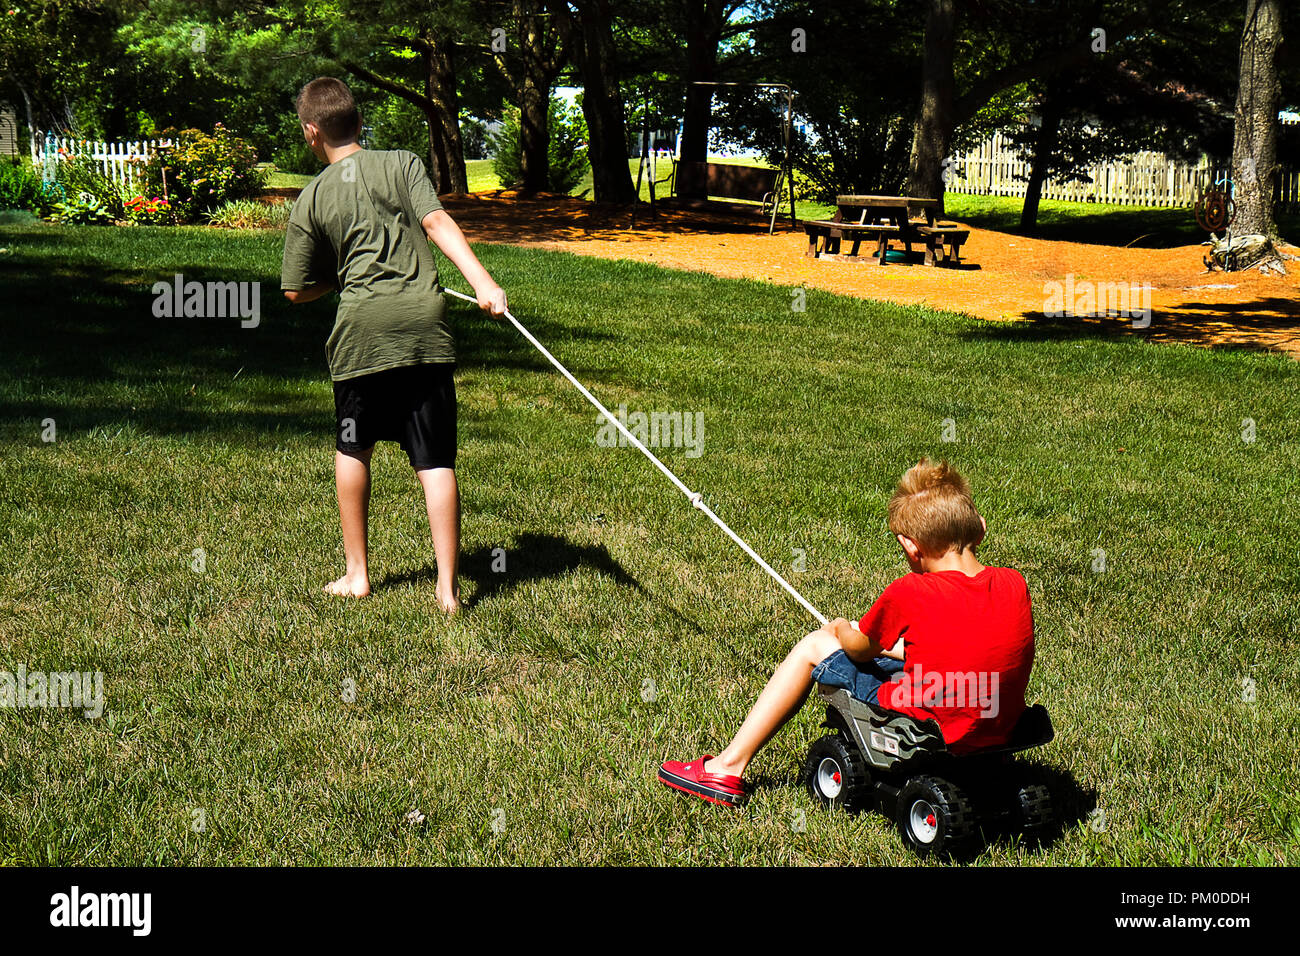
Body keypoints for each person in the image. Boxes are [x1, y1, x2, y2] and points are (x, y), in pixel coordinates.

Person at [658, 458, 1035, 807]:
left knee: (813, 647)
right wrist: (897, 651)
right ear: (980, 528)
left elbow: (858, 651)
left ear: (910, 546)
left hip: (931, 720)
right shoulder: (1013, 583)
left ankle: (726, 768)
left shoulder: (911, 591)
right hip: (997, 719)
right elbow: (959, 647)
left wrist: (841, 629)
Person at [281, 77, 507, 613]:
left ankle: (357, 574)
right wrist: (482, 282)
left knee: (353, 446)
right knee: (435, 459)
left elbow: (293, 289)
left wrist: (336, 280)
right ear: (358, 123)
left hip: (360, 337)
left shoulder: (311, 196)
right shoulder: (404, 164)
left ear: (312, 132)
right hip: (422, 328)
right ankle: (448, 590)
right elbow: (435, 221)